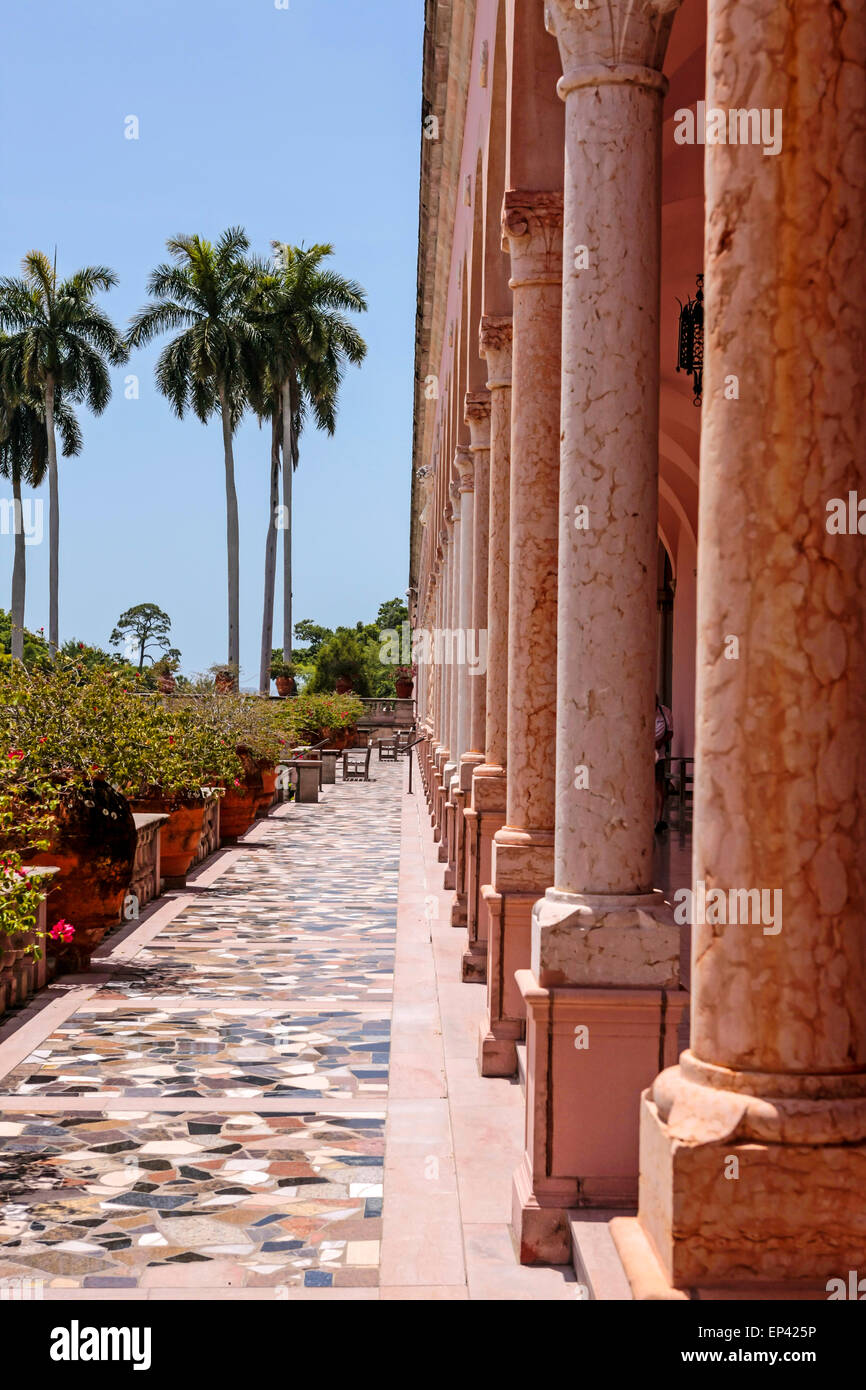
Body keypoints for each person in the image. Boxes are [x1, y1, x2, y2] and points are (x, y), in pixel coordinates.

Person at [655, 695, 673, 832]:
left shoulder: (664, 712)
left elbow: (670, 732)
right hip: (641, 755)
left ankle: (659, 819)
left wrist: (660, 742)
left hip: (658, 755)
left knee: (658, 786)